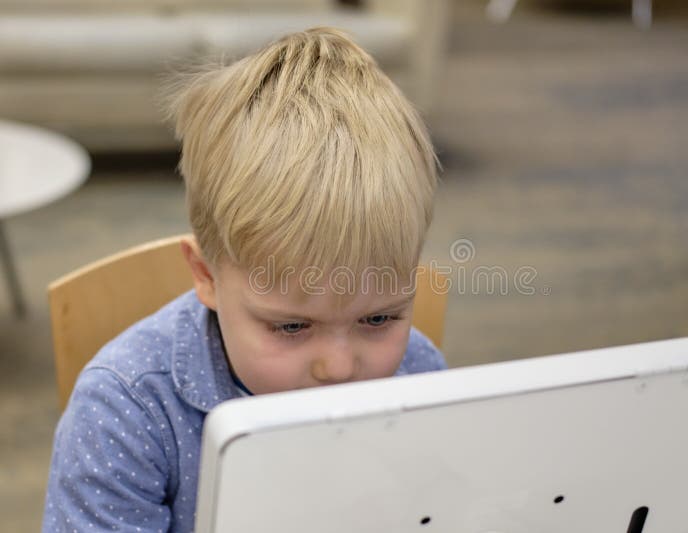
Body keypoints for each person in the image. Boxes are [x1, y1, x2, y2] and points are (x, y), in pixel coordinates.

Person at [42, 27, 446, 532]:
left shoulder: (423, 375)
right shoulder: (124, 412)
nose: (340, 368)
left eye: (379, 318)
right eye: (292, 327)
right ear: (205, 276)